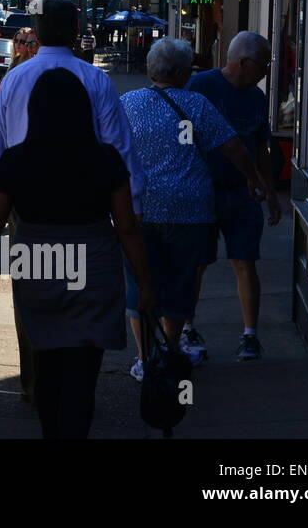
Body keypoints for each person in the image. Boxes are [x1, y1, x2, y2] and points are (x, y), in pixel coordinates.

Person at [0, 69, 154, 439]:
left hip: (37, 261)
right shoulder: (106, 158)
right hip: (94, 262)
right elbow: (127, 227)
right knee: (83, 371)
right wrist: (145, 283)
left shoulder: (16, 160)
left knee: (47, 364)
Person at [0, 0, 145, 403]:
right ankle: (76, 391)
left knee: (33, 306)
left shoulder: (15, 80)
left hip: (28, 213)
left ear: (37, 33)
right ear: (76, 31)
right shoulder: (95, 79)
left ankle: (36, 385)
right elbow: (120, 150)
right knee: (85, 306)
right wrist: (132, 218)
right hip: (89, 216)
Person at [120, 38, 266, 380]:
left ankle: (145, 359)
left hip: (141, 209)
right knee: (179, 283)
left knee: (139, 285)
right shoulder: (197, 105)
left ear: (150, 69)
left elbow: (109, 148)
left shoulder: (127, 103)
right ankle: (169, 352)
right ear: (184, 73)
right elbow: (233, 147)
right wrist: (254, 179)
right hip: (190, 211)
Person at [185, 32, 282, 362]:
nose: (267, 71)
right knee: (196, 262)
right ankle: (187, 327)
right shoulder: (201, 87)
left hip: (243, 193)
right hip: (204, 190)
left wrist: (269, 191)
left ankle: (250, 335)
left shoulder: (256, 97)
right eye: (264, 64)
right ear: (242, 62)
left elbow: (262, 146)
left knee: (245, 261)